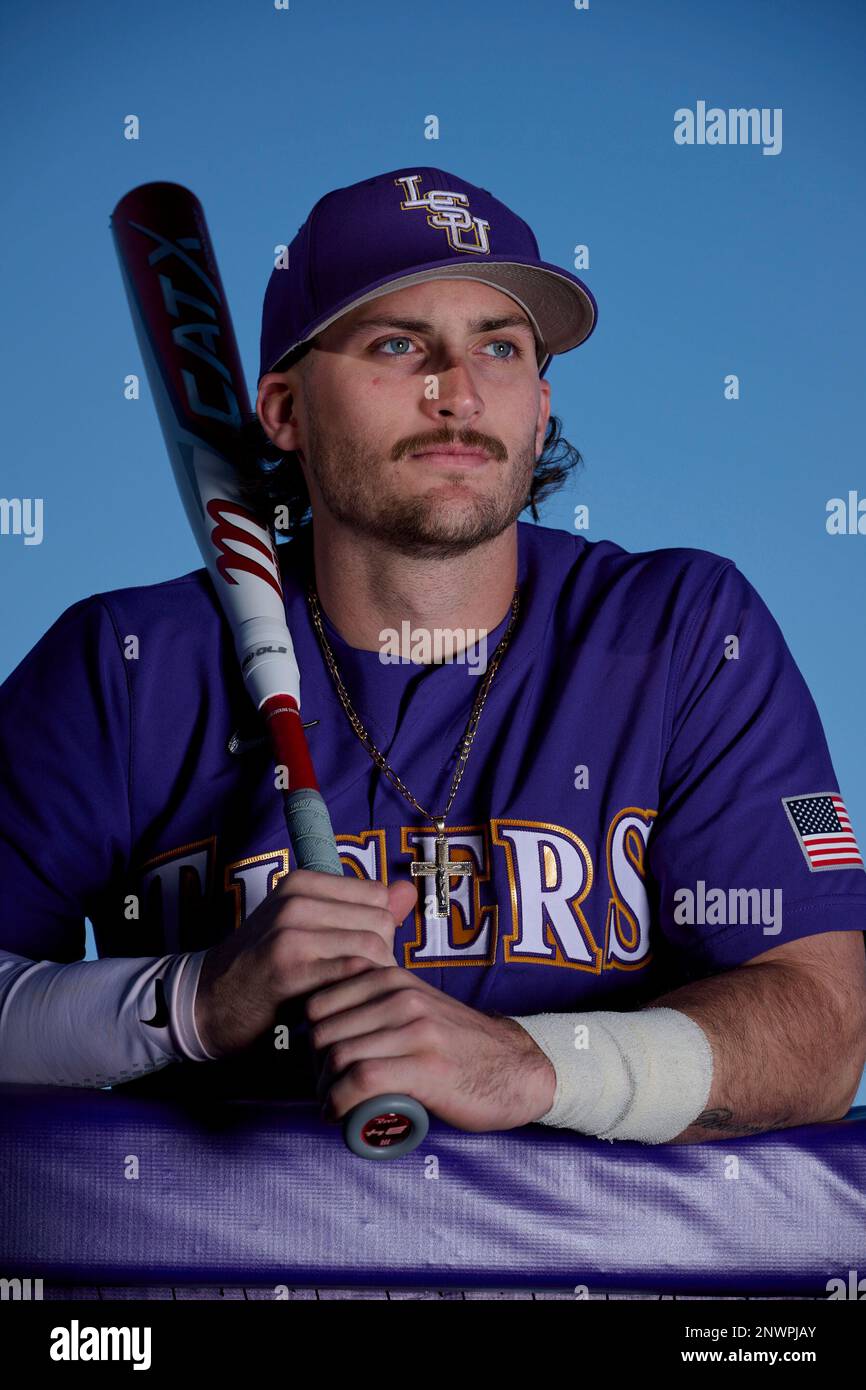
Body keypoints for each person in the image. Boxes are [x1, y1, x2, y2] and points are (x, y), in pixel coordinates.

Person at [1, 167, 864, 1145]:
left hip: (600, 1287)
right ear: (281, 411)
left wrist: (540, 1065)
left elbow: (824, 1031)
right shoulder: (123, 665)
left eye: (497, 347)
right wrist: (195, 998)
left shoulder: (681, 633)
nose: (456, 392)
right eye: (397, 343)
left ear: (538, 404)